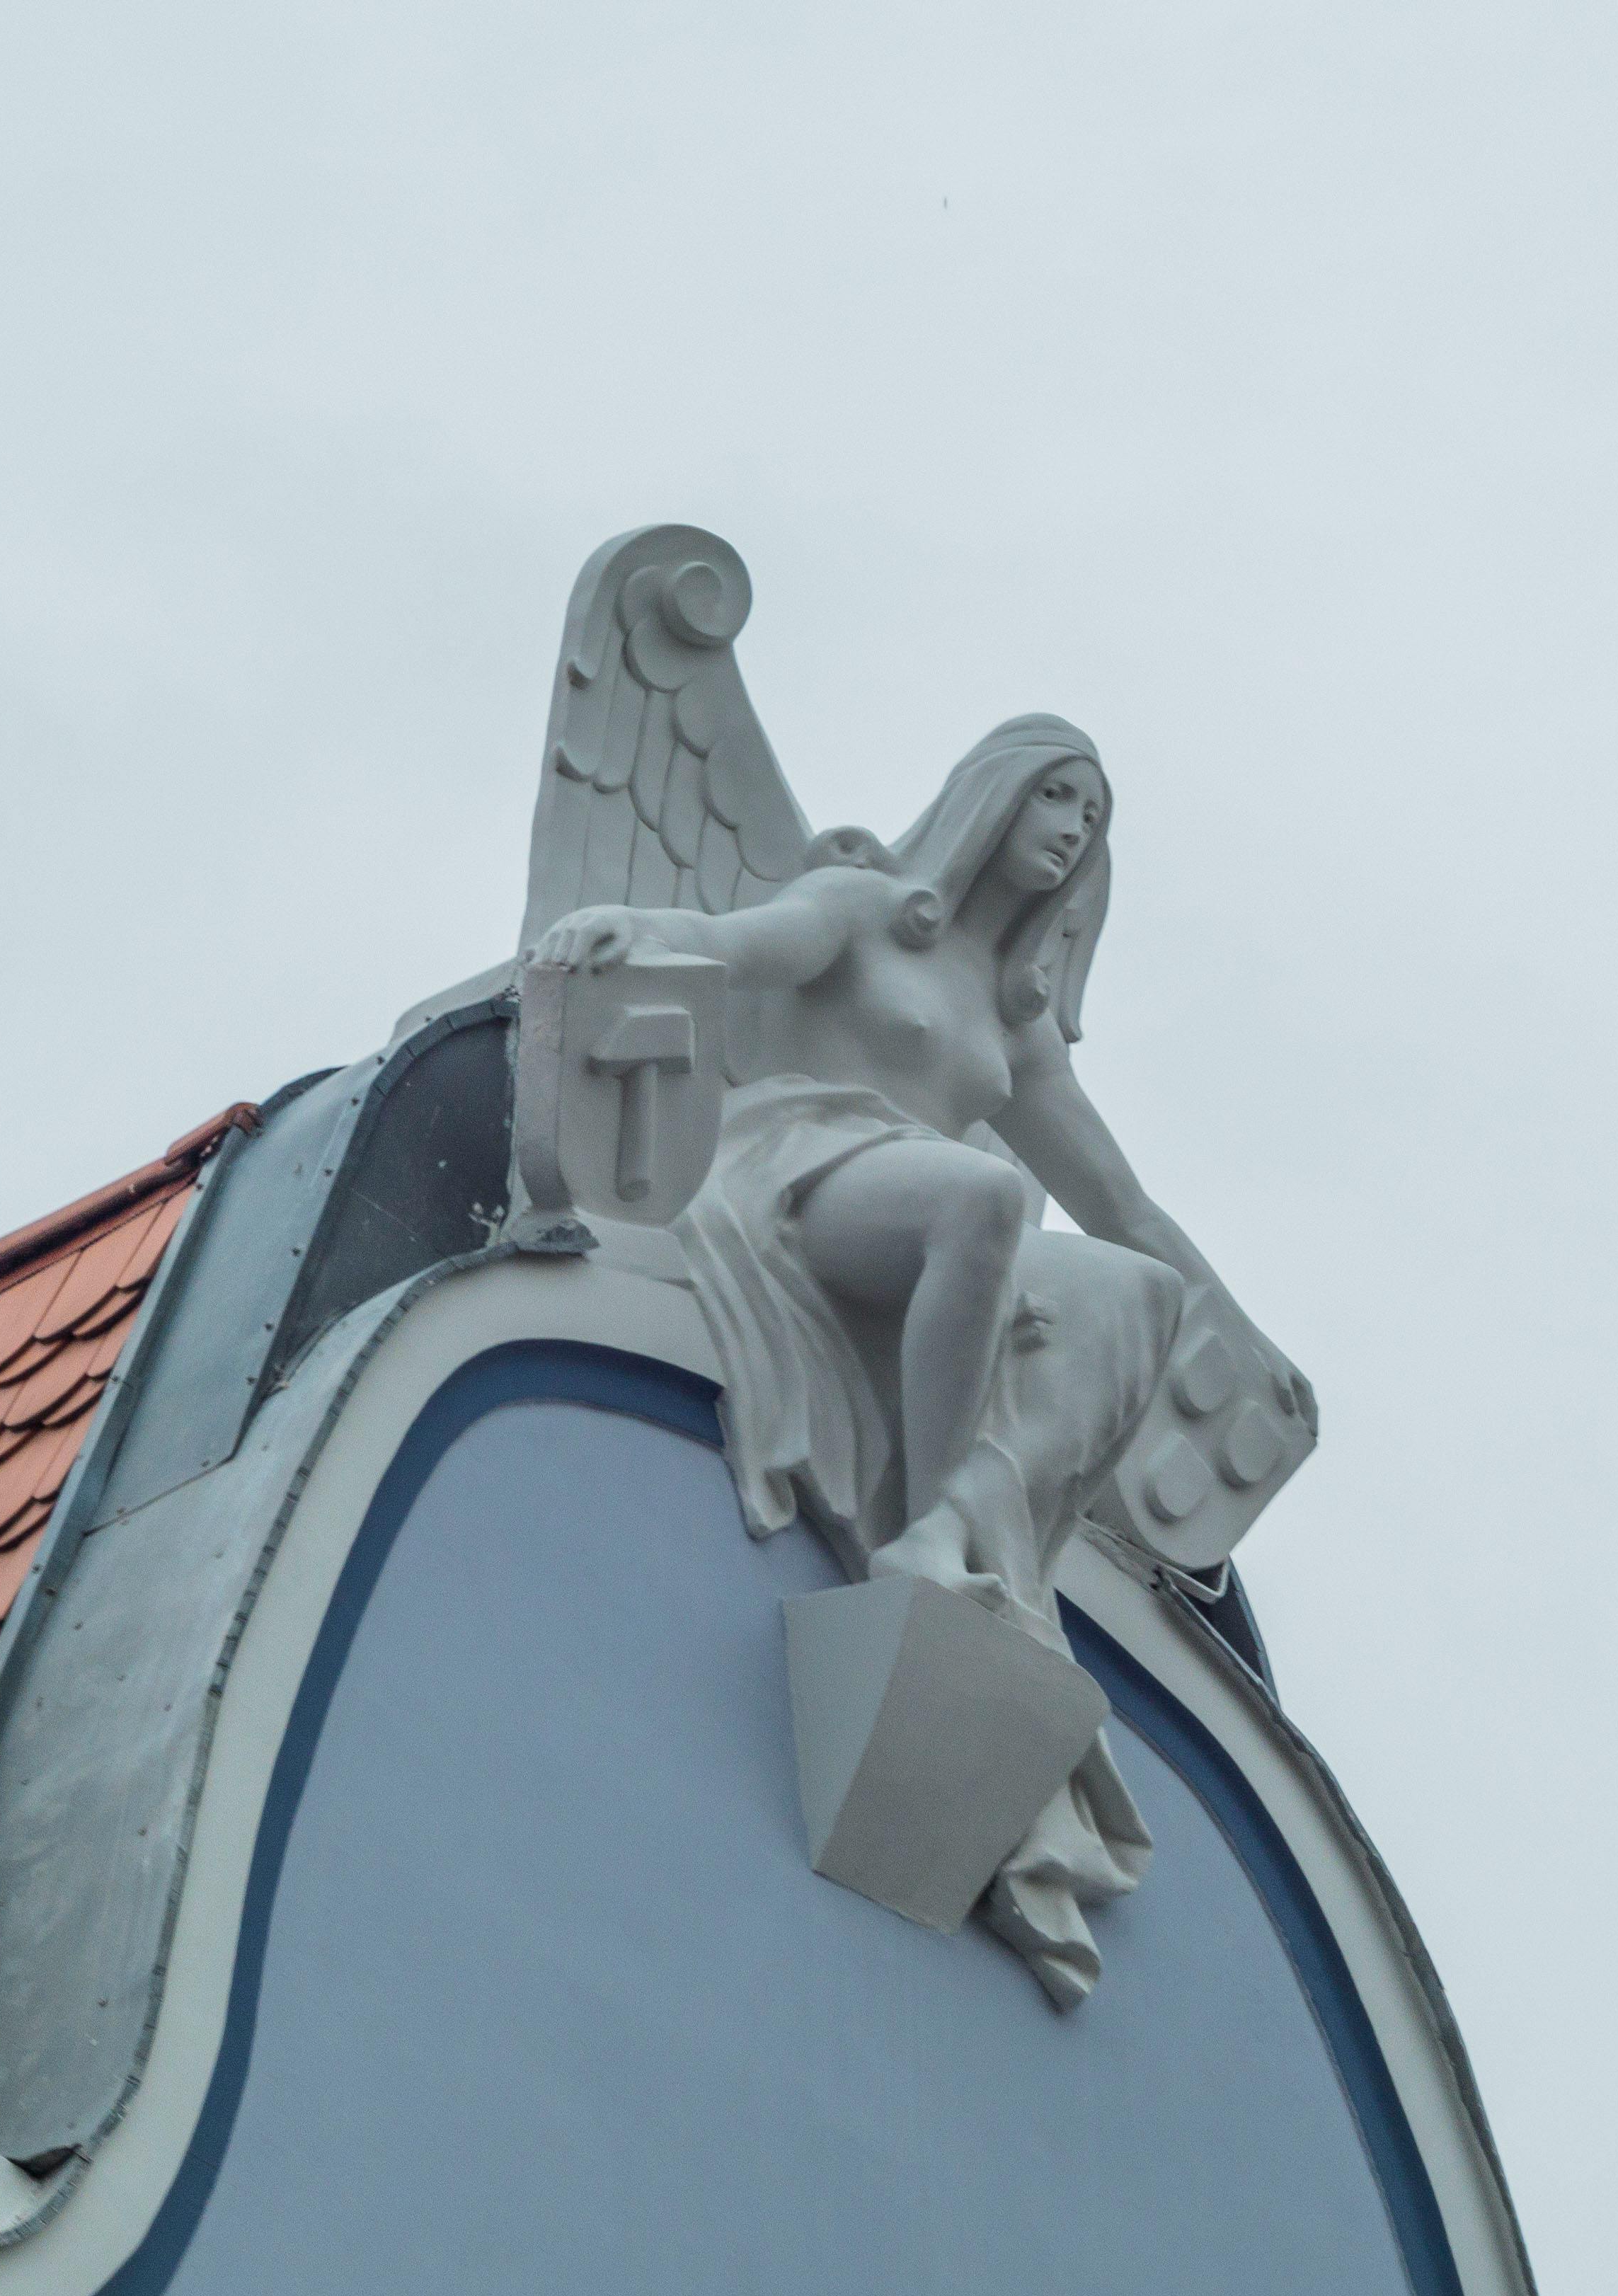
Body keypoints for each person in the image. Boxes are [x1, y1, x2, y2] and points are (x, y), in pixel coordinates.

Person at [535, 716, 1307, 2003]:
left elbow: (1122, 1205)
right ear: (994, 798)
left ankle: (954, 1520)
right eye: (1057, 798)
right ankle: (935, 1536)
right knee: (987, 1203)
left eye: (1090, 820)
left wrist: (1240, 1333)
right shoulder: (865, 910)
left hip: (932, 1223)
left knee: (1131, 1294)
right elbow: (728, 951)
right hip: (799, 1179)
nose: (1070, 833)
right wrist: (628, 928)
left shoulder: (1017, 1030)